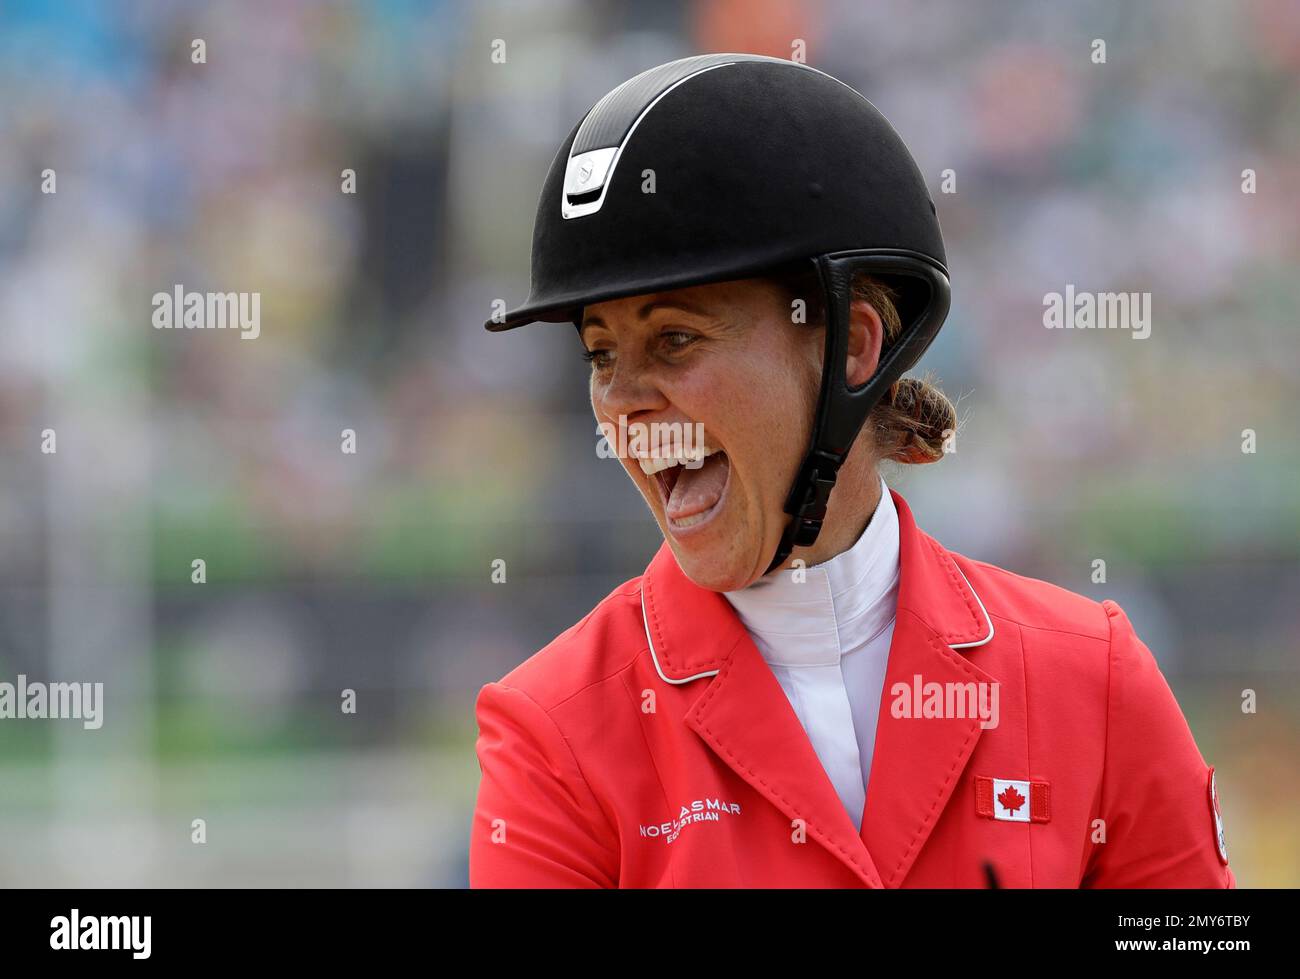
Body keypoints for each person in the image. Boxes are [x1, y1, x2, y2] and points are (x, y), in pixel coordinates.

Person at [468, 53, 1235, 888]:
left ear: (853, 344)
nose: (622, 403)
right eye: (601, 354)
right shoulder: (551, 734)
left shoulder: (1096, 681)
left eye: (676, 340)